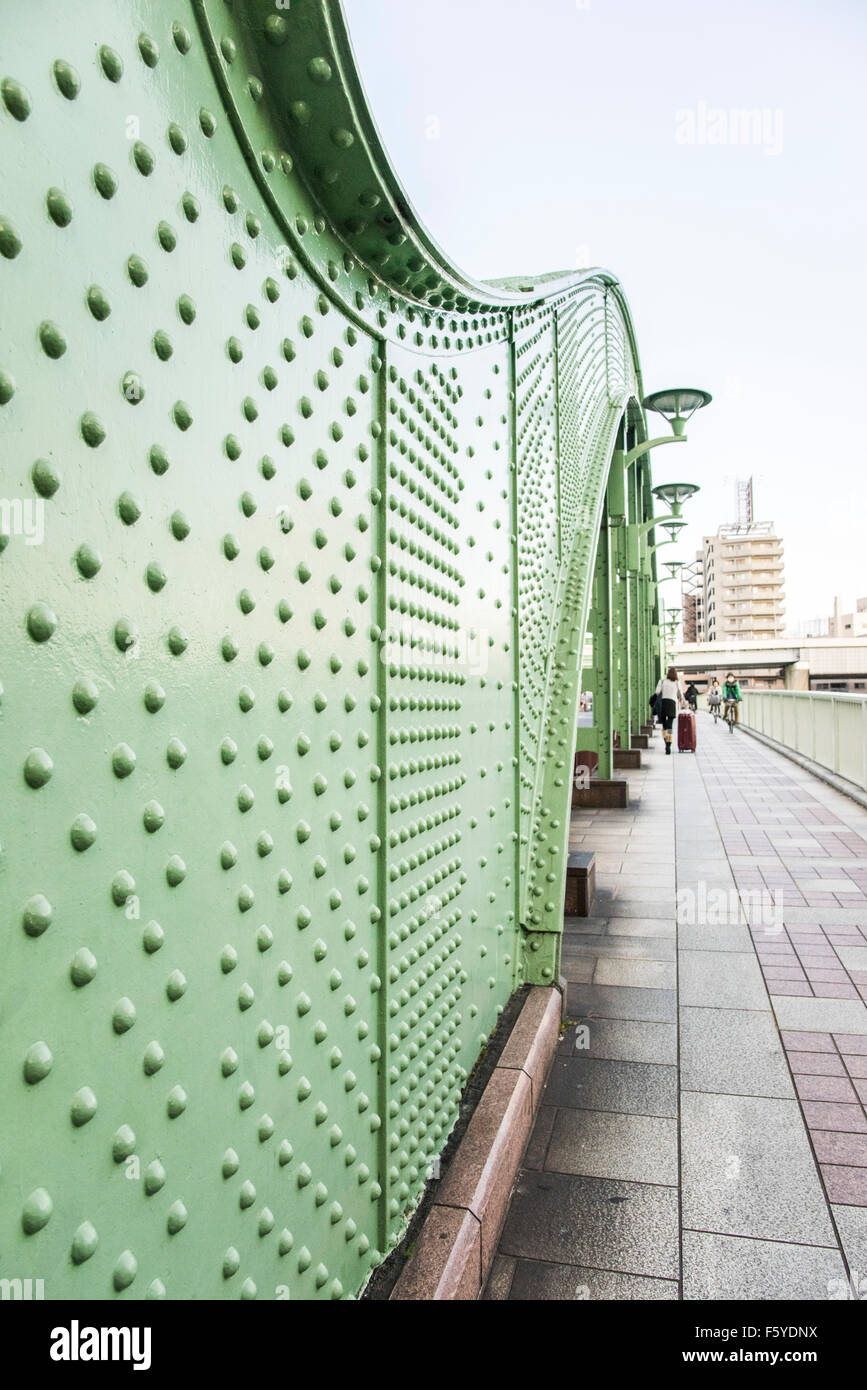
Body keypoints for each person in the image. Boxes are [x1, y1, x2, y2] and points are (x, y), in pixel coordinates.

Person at [654, 665, 685, 755]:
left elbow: (657, 692)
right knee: (670, 725)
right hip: (672, 704)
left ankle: (665, 741)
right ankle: (669, 744)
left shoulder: (662, 681)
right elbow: (680, 694)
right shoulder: (676, 682)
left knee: (664, 725)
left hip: (663, 703)